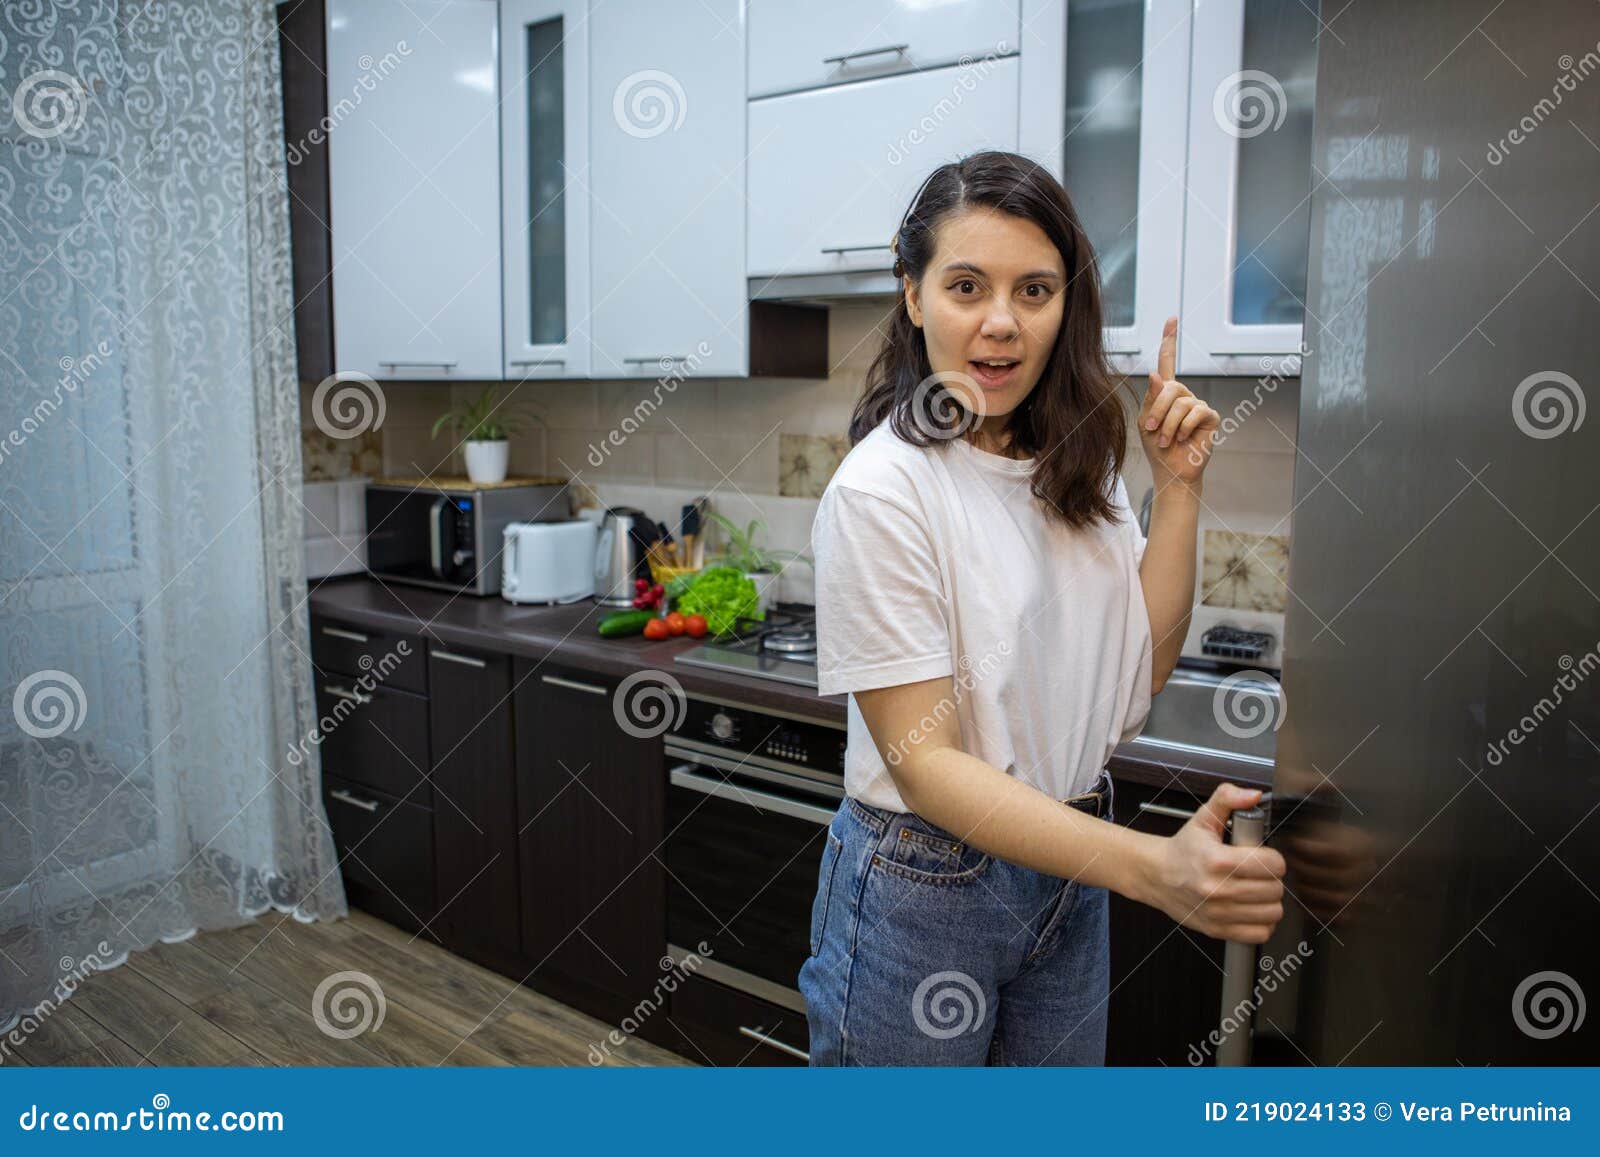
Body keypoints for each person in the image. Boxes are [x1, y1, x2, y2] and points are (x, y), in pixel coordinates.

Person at [797, 150, 1287, 1066]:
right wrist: (1151, 868)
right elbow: (926, 767)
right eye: (966, 285)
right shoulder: (884, 491)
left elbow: (1133, 673)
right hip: (924, 885)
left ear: (1068, 304)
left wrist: (1177, 489)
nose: (1000, 322)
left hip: (1065, 870)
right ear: (912, 296)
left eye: (1034, 290)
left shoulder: (1078, 466)